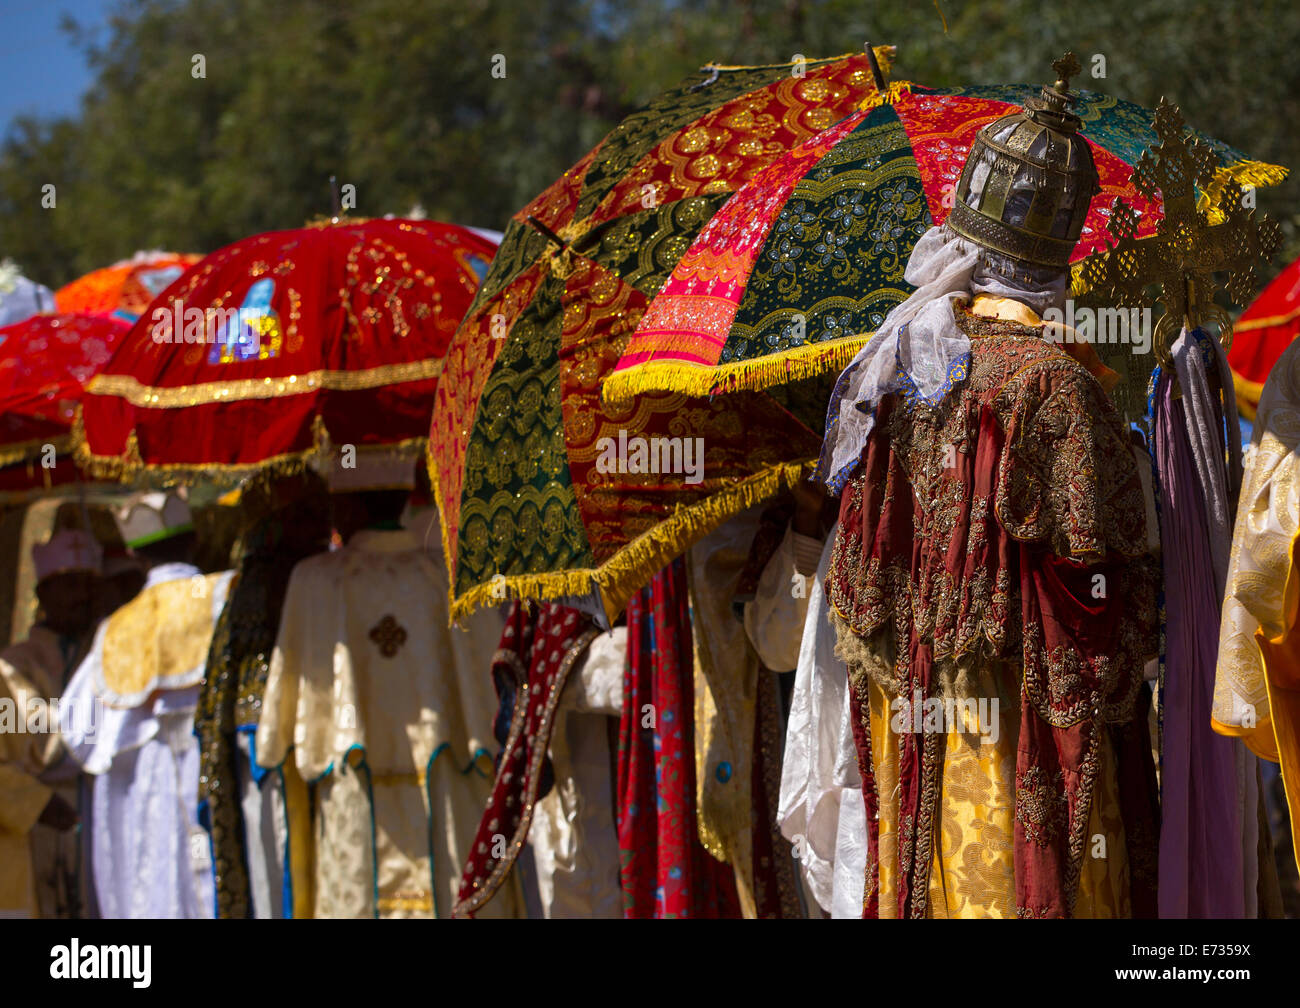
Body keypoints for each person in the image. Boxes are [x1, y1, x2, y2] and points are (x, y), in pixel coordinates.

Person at [815, 55, 1159, 918]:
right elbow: (1097, 571)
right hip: (1018, 710)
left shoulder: (903, 361)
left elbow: (863, 554)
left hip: (921, 700)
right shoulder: (1055, 382)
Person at [257, 457, 519, 918]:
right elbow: (492, 693)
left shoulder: (316, 580)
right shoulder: (450, 573)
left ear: (344, 504)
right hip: (447, 791)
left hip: (353, 789)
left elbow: (279, 721)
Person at [60, 492, 233, 918]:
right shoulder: (225, 593)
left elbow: (77, 732)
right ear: (194, 541)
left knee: (158, 880)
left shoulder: (117, 628)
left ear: (136, 555)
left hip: (146, 782)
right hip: (220, 762)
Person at [196, 471, 330, 919]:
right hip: (273, 748)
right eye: (307, 515)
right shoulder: (282, 579)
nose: (322, 526)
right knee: (284, 869)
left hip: (277, 742)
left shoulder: (269, 577)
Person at [0, 529, 101, 918]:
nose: (82, 597)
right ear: (43, 594)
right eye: (69, 585)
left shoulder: (108, 649)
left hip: (98, 804)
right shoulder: (14, 665)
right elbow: (36, 738)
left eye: (90, 585)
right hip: (44, 815)